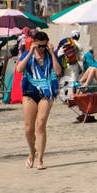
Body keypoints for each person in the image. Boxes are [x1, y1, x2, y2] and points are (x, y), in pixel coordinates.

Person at [16, 31, 61, 170]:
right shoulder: (28, 55)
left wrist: (52, 53)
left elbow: (58, 72)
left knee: (40, 124)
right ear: (35, 44)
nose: (42, 49)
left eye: (44, 46)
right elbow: (19, 69)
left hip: (47, 91)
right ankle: (32, 152)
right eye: (39, 46)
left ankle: (40, 159)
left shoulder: (49, 55)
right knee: (29, 128)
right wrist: (30, 52)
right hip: (30, 91)